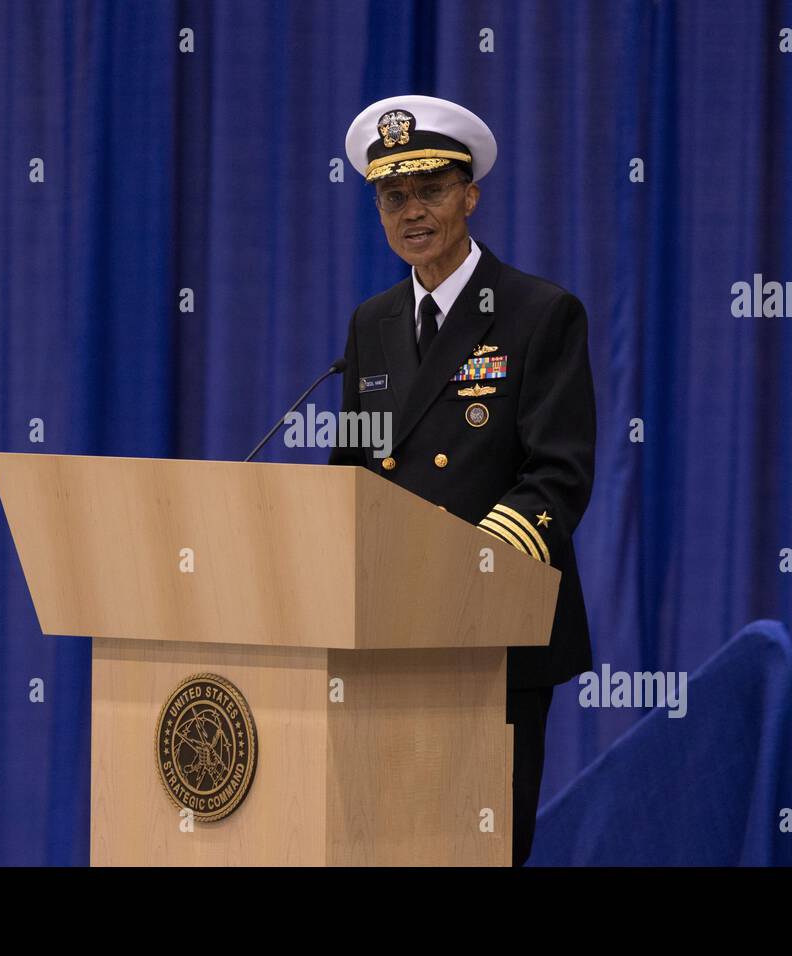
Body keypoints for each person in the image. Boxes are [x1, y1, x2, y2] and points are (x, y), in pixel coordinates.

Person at [330, 94, 597, 866]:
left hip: (492, 635)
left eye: (431, 190)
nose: (412, 211)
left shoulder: (538, 314)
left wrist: (463, 574)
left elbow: (558, 476)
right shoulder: (370, 323)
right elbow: (356, 467)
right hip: (386, 639)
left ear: (470, 195)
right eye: (393, 196)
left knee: (475, 848)